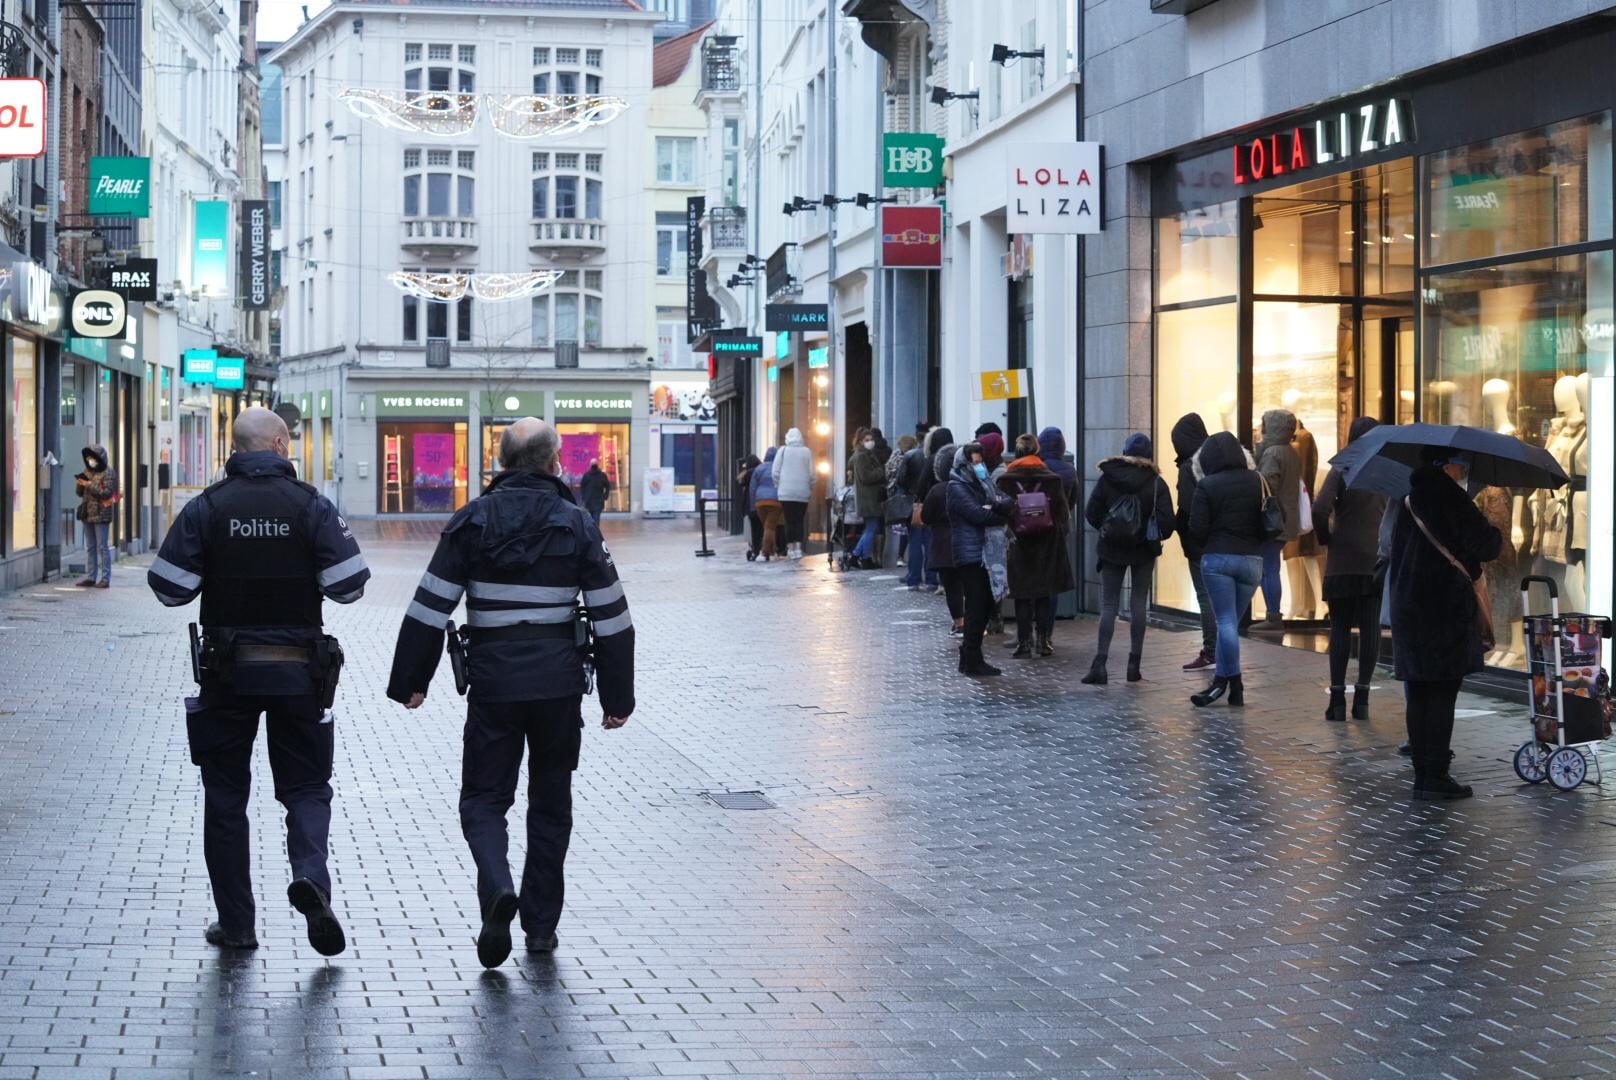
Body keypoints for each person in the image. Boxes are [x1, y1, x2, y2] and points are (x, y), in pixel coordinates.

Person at [387, 417, 635, 965]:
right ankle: (540, 928)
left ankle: (498, 886)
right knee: (550, 804)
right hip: (558, 688)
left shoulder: (470, 521)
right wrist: (618, 698)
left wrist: (411, 681)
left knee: (483, 799)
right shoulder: (577, 523)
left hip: (494, 686)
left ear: (501, 462)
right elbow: (612, 617)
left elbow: (430, 605)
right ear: (554, 462)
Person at [146, 406, 370, 954]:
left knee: (225, 797)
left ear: (235, 448)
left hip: (227, 674)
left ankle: (237, 925)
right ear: (279, 444)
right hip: (299, 672)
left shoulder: (208, 507)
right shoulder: (311, 505)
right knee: (307, 788)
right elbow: (349, 585)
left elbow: (170, 587)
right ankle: (310, 878)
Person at [1388, 449, 1501, 800]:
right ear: (1447, 465)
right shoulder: (1452, 499)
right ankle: (1436, 774)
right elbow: (1487, 546)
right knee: (1441, 692)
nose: (1463, 470)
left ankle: (1423, 773)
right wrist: (1490, 526)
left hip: (1409, 605)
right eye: (1460, 464)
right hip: (1443, 606)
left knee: (1420, 690)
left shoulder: (1409, 499)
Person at [1081, 433, 1175, 683]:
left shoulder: (1108, 477)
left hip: (1111, 549)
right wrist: (1148, 534)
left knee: (1108, 605)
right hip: (1144, 551)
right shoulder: (1156, 483)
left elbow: (1091, 512)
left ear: (1124, 453)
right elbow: (1168, 523)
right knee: (1138, 604)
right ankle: (1134, 666)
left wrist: (1108, 529)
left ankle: (1100, 665)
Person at [1312, 417, 1388, 722]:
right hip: (1375, 559)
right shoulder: (1386, 470)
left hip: (1342, 559)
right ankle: (1363, 700)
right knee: (1370, 628)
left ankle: (1336, 700)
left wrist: (1326, 538)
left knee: (1340, 626)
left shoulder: (1344, 466)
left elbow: (1320, 508)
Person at [1185, 431, 1265, 707]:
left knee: (1226, 623)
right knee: (1229, 623)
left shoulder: (1207, 485)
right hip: (1252, 561)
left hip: (1218, 559)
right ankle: (1226, 683)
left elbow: (1197, 529)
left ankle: (1231, 681)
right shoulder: (1258, 480)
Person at [996, 433, 1074, 659]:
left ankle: (1024, 643)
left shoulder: (1005, 480)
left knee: (1022, 594)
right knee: (1044, 593)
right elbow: (1062, 514)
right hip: (1047, 543)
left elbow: (1000, 512)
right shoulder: (1053, 480)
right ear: (1037, 452)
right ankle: (1043, 641)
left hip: (1018, 543)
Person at [947, 441, 1014, 676]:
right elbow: (976, 515)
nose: (978, 466)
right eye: (974, 461)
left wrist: (992, 506)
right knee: (977, 604)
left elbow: (1007, 501)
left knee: (984, 604)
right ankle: (972, 657)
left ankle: (970, 655)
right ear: (964, 463)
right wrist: (998, 514)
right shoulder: (957, 486)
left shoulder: (984, 483)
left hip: (986, 552)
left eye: (980, 461)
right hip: (970, 554)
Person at [1170, 414, 1217, 670]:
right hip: (1222, 540)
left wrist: (1184, 529)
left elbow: (1188, 507)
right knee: (1219, 599)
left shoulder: (1189, 466)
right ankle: (1221, 651)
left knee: (1205, 596)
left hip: (1199, 544)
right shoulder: (1217, 460)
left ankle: (1211, 651)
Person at [1254, 408, 1302, 627]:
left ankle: (1273, 615)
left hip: (1274, 519)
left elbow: (1266, 486)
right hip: (1286, 517)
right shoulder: (1290, 452)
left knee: (1269, 568)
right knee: (1271, 566)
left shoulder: (1273, 453)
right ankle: (1273, 614)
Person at [920, 442, 963, 636]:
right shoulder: (966, 487)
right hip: (965, 541)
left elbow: (926, 517)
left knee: (951, 586)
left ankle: (959, 622)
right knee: (968, 585)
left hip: (942, 544)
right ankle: (971, 620)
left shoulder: (936, 490)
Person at [903, 426, 952, 591]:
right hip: (953, 506)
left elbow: (921, 484)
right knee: (937, 543)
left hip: (931, 505)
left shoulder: (931, 458)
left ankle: (914, 579)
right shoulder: (957, 456)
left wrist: (919, 498)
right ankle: (934, 579)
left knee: (918, 542)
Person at [976, 431, 1011, 635]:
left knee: (994, 573)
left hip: (996, 531)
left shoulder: (1000, 473)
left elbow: (996, 501)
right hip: (988, 528)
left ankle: (995, 616)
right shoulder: (986, 469)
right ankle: (992, 615)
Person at [74, 444, 119, 588]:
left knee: (102, 547)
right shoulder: (87, 471)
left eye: (92, 458)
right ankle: (91, 577)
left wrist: (88, 484)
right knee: (90, 547)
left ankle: (105, 579)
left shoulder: (108, 473)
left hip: (101, 514)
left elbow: (106, 493)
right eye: (88, 459)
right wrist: (79, 484)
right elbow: (79, 494)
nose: (90, 461)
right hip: (87, 513)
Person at [771, 427, 814, 560]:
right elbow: (812, 473)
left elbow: (775, 472)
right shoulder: (807, 451)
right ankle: (799, 548)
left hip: (786, 492)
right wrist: (809, 485)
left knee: (789, 521)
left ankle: (791, 549)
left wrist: (778, 485)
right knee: (799, 520)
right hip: (802, 492)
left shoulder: (782, 451)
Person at [847, 429, 887, 569]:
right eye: (867, 440)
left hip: (869, 497)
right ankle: (857, 555)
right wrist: (882, 470)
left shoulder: (865, 455)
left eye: (871, 439)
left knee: (870, 528)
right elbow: (866, 477)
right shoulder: (862, 456)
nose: (870, 442)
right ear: (860, 442)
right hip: (868, 498)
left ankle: (862, 557)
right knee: (872, 528)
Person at [887, 433, 917, 566]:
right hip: (905, 493)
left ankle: (899, 556)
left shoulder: (893, 456)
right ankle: (905, 555)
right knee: (910, 525)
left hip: (894, 494)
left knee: (900, 525)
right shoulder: (909, 457)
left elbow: (887, 473)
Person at [750, 447, 784, 561]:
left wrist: (752, 504)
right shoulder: (779, 468)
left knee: (768, 527)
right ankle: (765, 552)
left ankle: (772, 551)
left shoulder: (759, 468)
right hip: (775, 501)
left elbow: (752, 488)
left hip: (760, 502)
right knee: (770, 528)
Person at [1037, 426, 1079, 517]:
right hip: (1060, 520)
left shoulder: (1036, 467)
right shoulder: (1070, 469)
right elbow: (1073, 499)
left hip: (1037, 519)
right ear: (1062, 446)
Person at [737, 454, 762, 561]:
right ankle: (765, 549)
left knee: (754, 529)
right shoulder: (761, 470)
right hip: (763, 501)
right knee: (764, 527)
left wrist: (744, 469)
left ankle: (756, 551)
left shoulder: (749, 473)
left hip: (751, 504)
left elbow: (739, 480)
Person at [578, 459, 611, 526]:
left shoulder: (587, 475)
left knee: (591, 517)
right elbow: (607, 486)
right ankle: (595, 530)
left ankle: (593, 530)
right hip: (597, 500)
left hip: (590, 499)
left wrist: (584, 497)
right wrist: (605, 496)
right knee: (596, 517)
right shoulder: (601, 475)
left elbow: (582, 486)